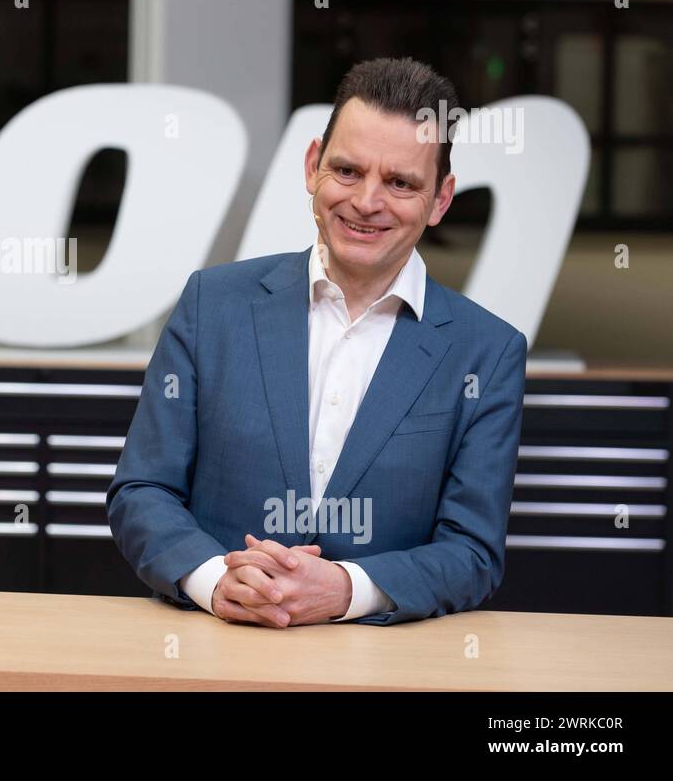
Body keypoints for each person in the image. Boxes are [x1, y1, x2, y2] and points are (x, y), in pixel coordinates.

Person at [108, 57, 528, 626]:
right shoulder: (213, 304)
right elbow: (142, 490)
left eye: (400, 183)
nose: (366, 202)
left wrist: (347, 590)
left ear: (441, 199)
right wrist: (215, 581)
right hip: (214, 655)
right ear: (313, 166)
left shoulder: (488, 351)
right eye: (348, 171)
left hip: (383, 673)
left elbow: (473, 551)